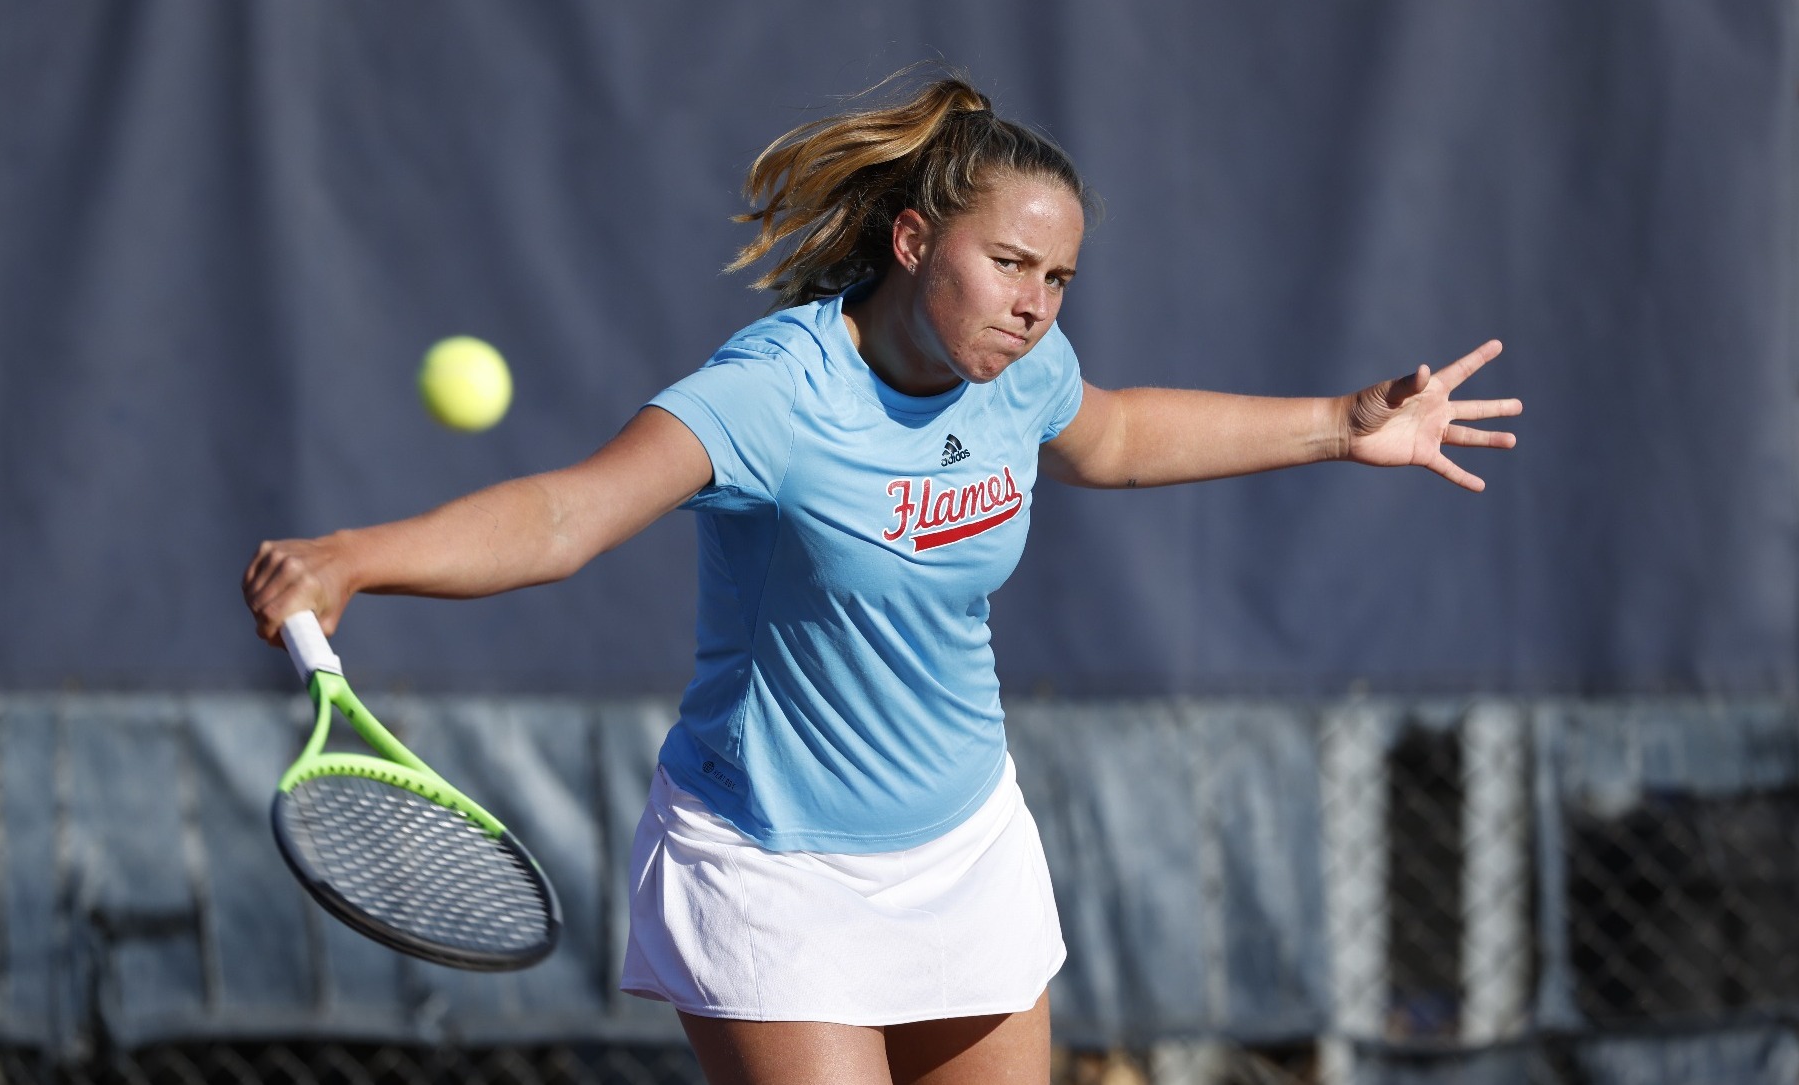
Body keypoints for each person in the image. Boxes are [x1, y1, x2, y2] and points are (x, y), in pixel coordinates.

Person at [242, 69, 1520, 1085]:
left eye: (1059, 277)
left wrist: (1345, 422)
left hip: (964, 844)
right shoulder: (776, 390)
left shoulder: (1020, 375)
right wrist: (363, 557)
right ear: (913, 240)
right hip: (771, 863)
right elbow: (571, 512)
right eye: (1009, 264)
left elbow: (1116, 433)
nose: (1036, 305)